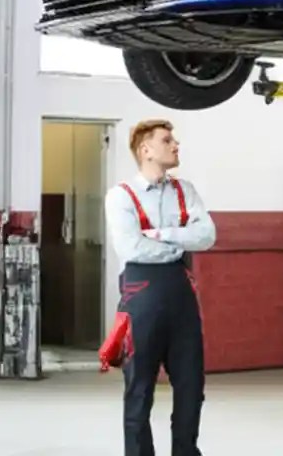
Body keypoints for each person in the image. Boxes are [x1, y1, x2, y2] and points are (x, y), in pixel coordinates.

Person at [104, 118, 217, 456]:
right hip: (142, 301)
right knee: (139, 390)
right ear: (146, 149)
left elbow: (207, 235)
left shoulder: (186, 191)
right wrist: (180, 245)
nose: (176, 145)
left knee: (191, 387)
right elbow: (131, 248)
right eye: (167, 140)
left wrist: (163, 234)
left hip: (182, 300)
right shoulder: (121, 196)